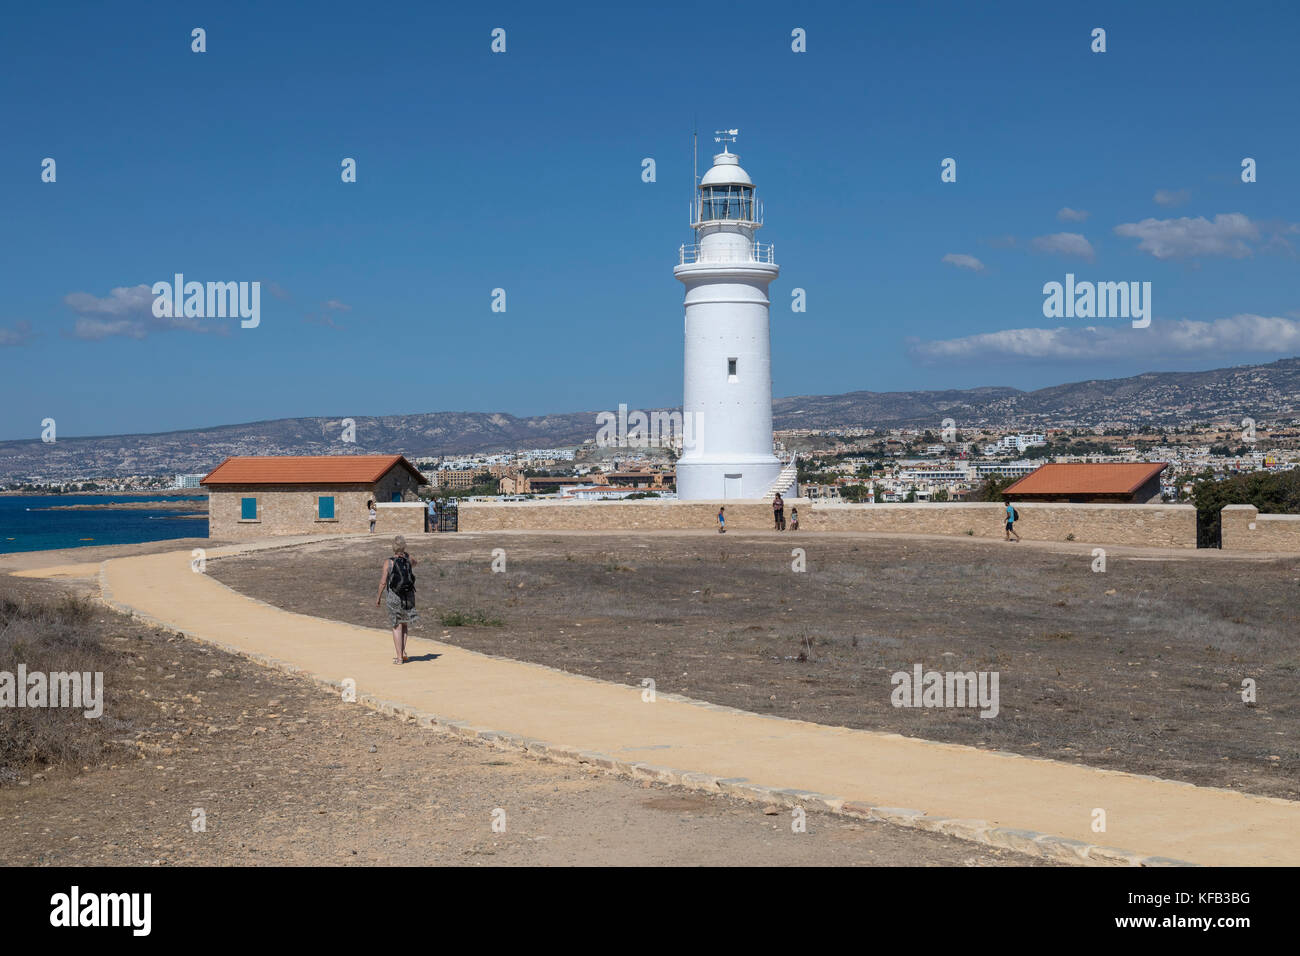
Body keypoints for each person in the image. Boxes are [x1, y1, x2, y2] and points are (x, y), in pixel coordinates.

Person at [376, 535, 419, 663]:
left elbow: (383, 582)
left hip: (394, 596)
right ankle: (403, 651)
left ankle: (399, 657)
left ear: (393, 547)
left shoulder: (388, 562)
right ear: (404, 546)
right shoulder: (408, 559)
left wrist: (378, 597)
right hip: (409, 596)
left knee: (396, 626)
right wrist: (406, 554)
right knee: (405, 624)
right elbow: (416, 563)